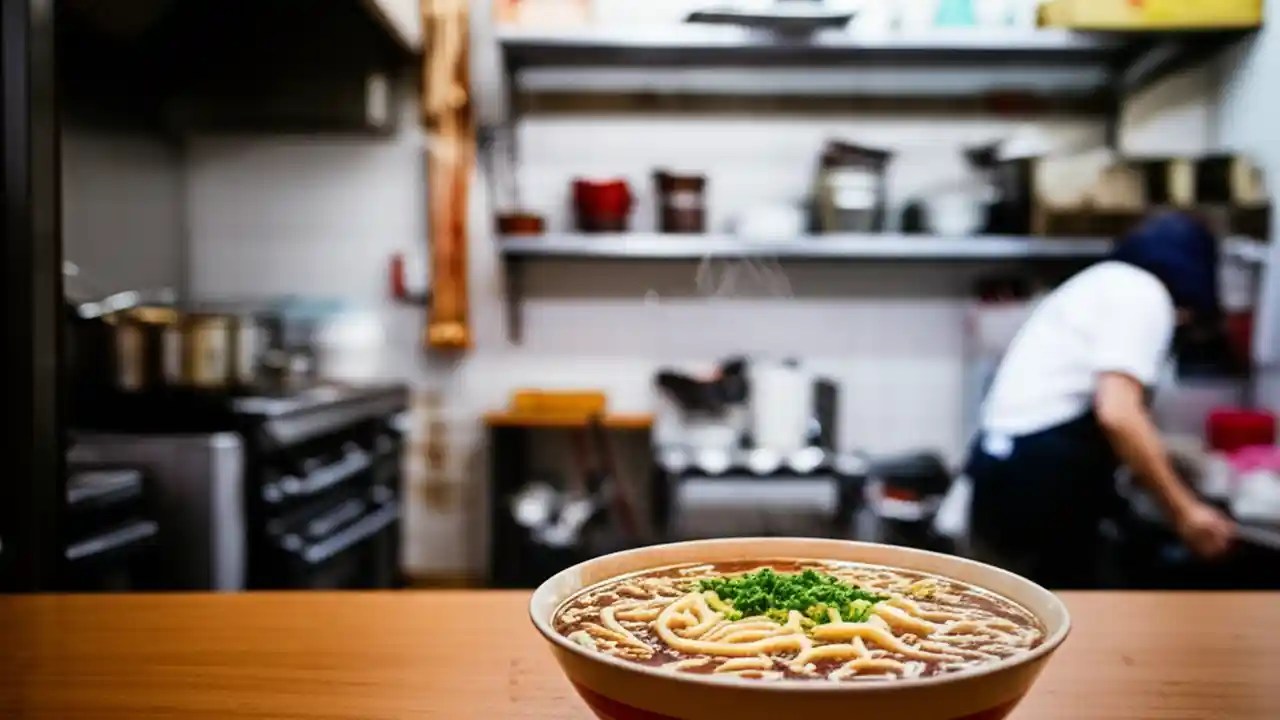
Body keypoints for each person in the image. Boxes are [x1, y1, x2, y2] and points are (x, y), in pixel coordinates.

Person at [965, 211, 1236, 589]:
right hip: (1041, 476)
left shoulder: (1102, 282)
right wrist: (1185, 511)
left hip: (1001, 468)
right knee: (1069, 607)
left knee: (1026, 607)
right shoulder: (1142, 294)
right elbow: (1118, 413)